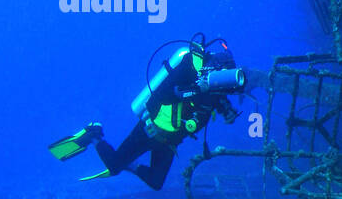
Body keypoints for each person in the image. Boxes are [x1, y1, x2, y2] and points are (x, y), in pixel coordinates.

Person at [49, 35, 244, 190]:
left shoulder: (215, 87)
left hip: (171, 140)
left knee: (156, 183)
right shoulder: (189, 69)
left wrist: (227, 111)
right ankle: (94, 135)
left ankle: (130, 164)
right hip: (150, 128)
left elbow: (215, 100)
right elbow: (161, 96)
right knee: (114, 167)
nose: (219, 85)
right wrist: (196, 89)